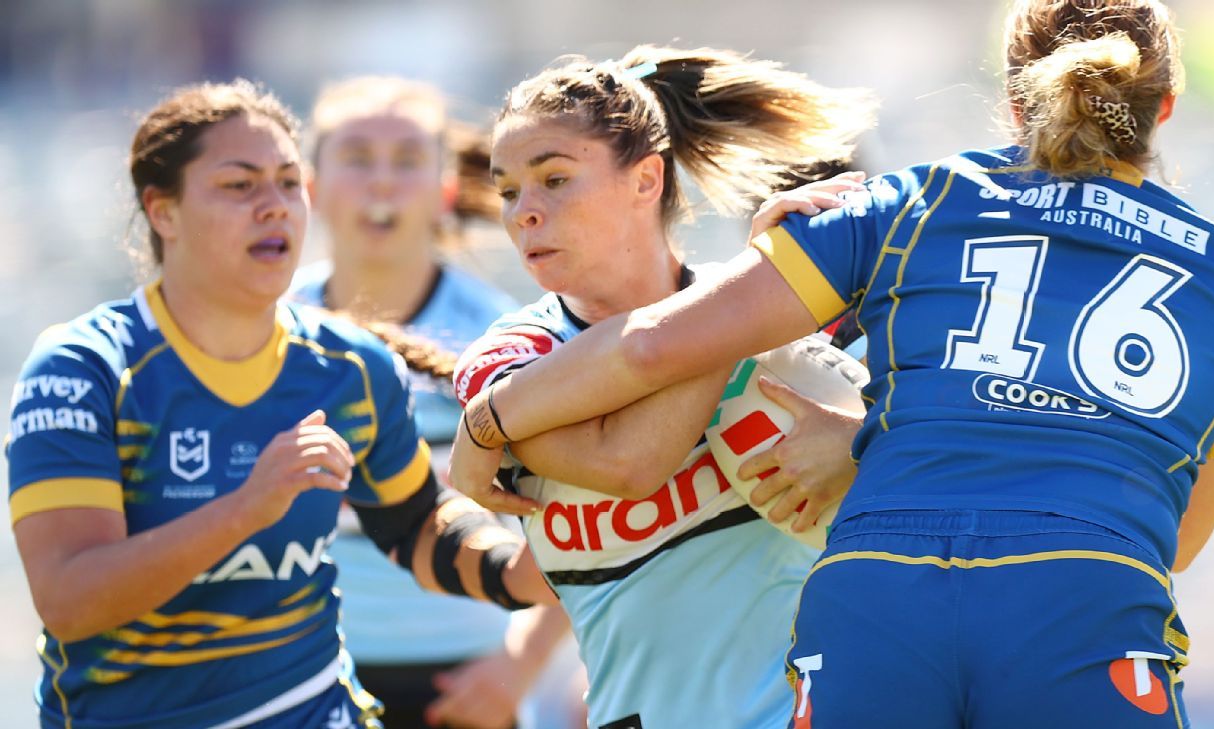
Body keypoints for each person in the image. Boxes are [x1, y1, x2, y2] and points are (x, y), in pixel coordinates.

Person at [450, 2, 1214, 726]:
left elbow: (654, 345)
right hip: (1084, 601)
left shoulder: (908, 203)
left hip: (884, 595)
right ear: (1166, 106)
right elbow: (1175, 541)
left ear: (1009, 99)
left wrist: (488, 423)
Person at [5, 79, 552, 729]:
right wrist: (245, 508)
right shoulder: (84, 367)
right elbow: (70, 598)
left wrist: (530, 573)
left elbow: (417, 528)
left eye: (288, 182)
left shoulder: (352, 365)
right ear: (163, 211)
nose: (274, 206)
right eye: (240, 185)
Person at [450, 45, 875, 729]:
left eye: (553, 179)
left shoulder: (789, 327)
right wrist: (741, 302)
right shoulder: (507, 359)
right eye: (507, 191)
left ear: (646, 179)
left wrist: (862, 446)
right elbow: (628, 462)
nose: (523, 212)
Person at [292, 75, 578, 729]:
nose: (383, 183)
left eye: (408, 160)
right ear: (311, 187)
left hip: (462, 687)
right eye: (358, 159)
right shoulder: (268, 335)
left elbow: (588, 519)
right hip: (304, 681)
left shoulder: (508, 338)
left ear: (445, 187)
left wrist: (518, 664)